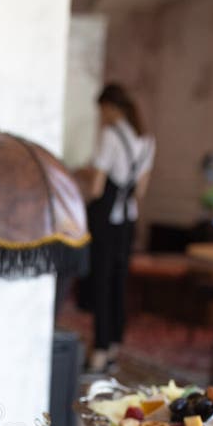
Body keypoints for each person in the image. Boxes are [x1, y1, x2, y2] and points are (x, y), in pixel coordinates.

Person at [79, 83, 155, 373]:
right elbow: (141, 190)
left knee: (100, 282)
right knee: (118, 283)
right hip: (128, 220)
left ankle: (98, 351)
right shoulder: (147, 140)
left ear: (110, 108)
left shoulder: (110, 136)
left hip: (105, 220)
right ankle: (111, 348)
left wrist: (84, 174)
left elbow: (97, 188)